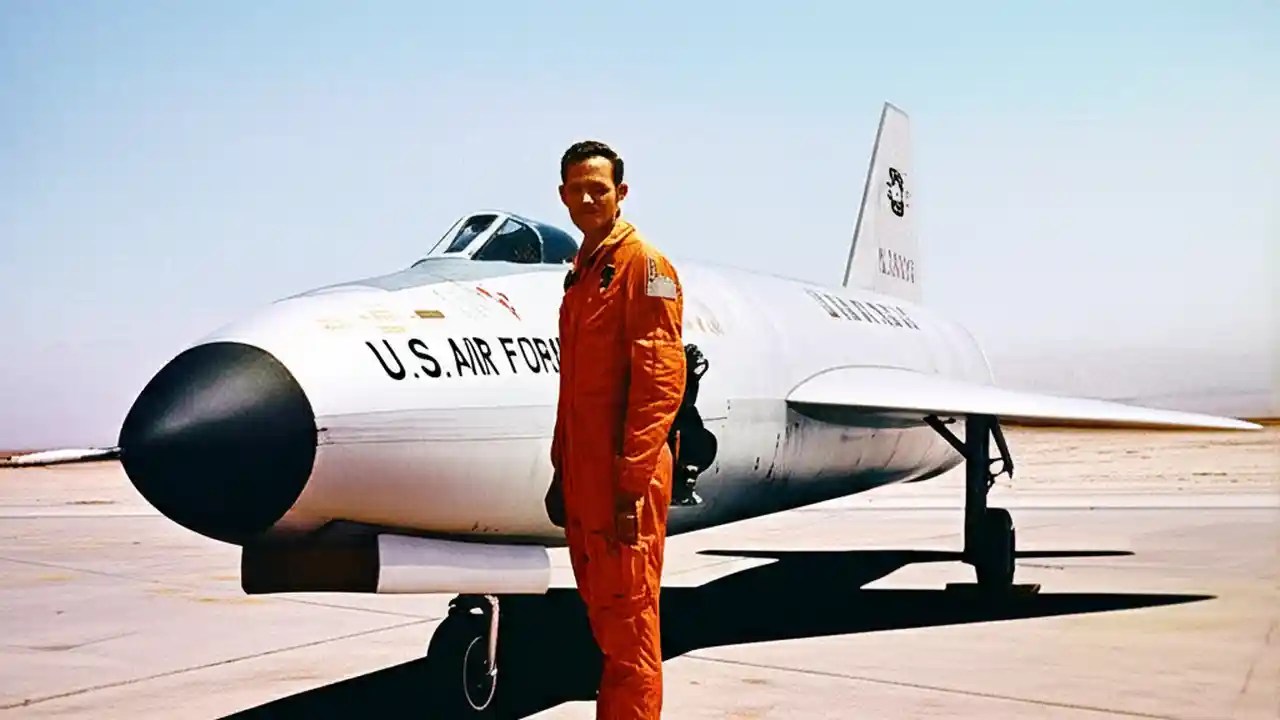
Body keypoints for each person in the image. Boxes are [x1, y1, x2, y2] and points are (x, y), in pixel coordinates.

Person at [547, 140, 686, 719]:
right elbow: (573, 391)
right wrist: (561, 473)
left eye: (598, 188)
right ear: (562, 196)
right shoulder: (582, 275)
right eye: (576, 188)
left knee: (630, 632)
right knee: (606, 621)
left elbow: (659, 382)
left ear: (620, 194)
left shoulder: (643, 268)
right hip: (586, 481)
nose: (586, 197)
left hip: (623, 486)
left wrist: (630, 485)